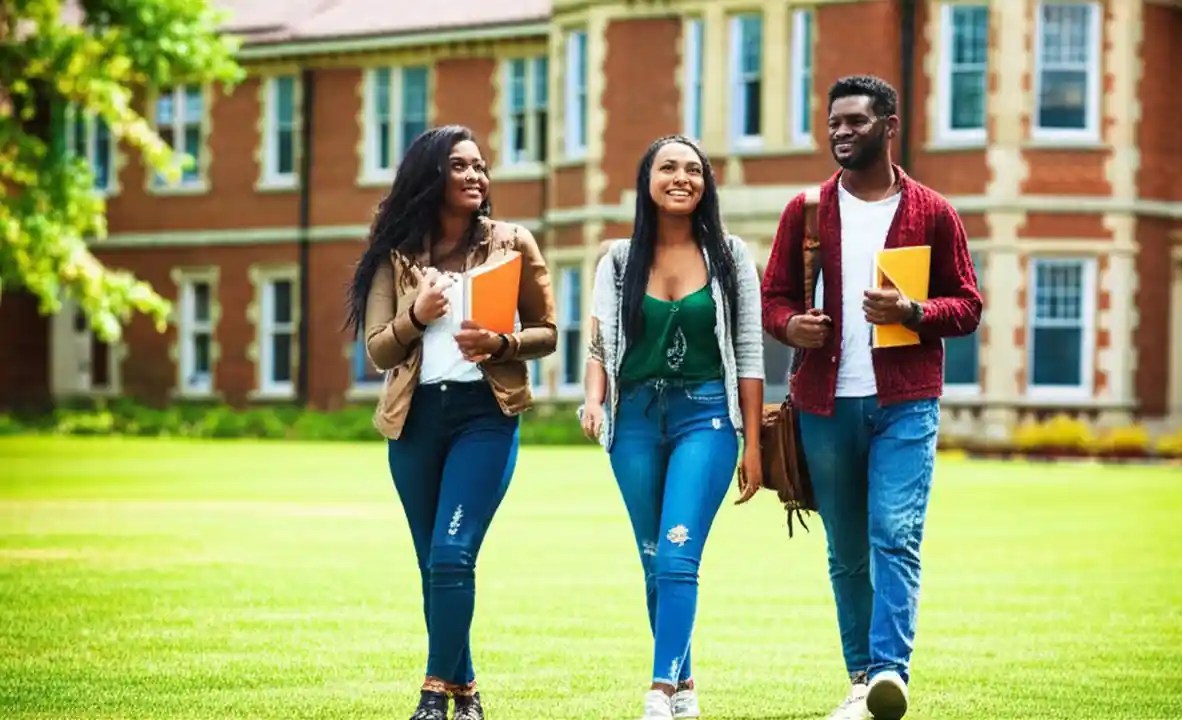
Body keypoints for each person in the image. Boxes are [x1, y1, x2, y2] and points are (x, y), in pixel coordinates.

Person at [761, 75, 982, 720]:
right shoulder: (805, 210)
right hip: (825, 404)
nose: (841, 133)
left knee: (895, 532)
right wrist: (790, 325)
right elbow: (775, 297)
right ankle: (860, 679)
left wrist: (912, 310)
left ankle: (890, 672)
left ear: (888, 124)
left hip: (906, 401)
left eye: (855, 122)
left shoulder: (933, 212)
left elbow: (967, 306)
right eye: (834, 123)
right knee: (846, 548)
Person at [345, 125, 557, 720]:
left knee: (451, 554)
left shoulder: (513, 242)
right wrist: (418, 313)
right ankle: (468, 695)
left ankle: (433, 695)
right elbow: (379, 351)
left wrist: (502, 341)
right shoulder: (395, 254)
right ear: (430, 175)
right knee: (432, 564)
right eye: (460, 166)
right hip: (415, 424)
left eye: (481, 167)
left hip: (483, 419)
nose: (475, 176)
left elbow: (548, 333)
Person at [579, 135, 765, 720]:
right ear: (647, 181)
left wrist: (753, 443)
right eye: (667, 168)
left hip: (706, 417)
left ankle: (659, 691)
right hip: (632, 421)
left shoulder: (731, 257)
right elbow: (599, 340)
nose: (680, 178)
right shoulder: (617, 258)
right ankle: (684, 685)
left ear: (706, 183)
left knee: (679, 555)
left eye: (693, 169)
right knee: (652, 555)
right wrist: (593, 401)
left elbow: (751, 353)